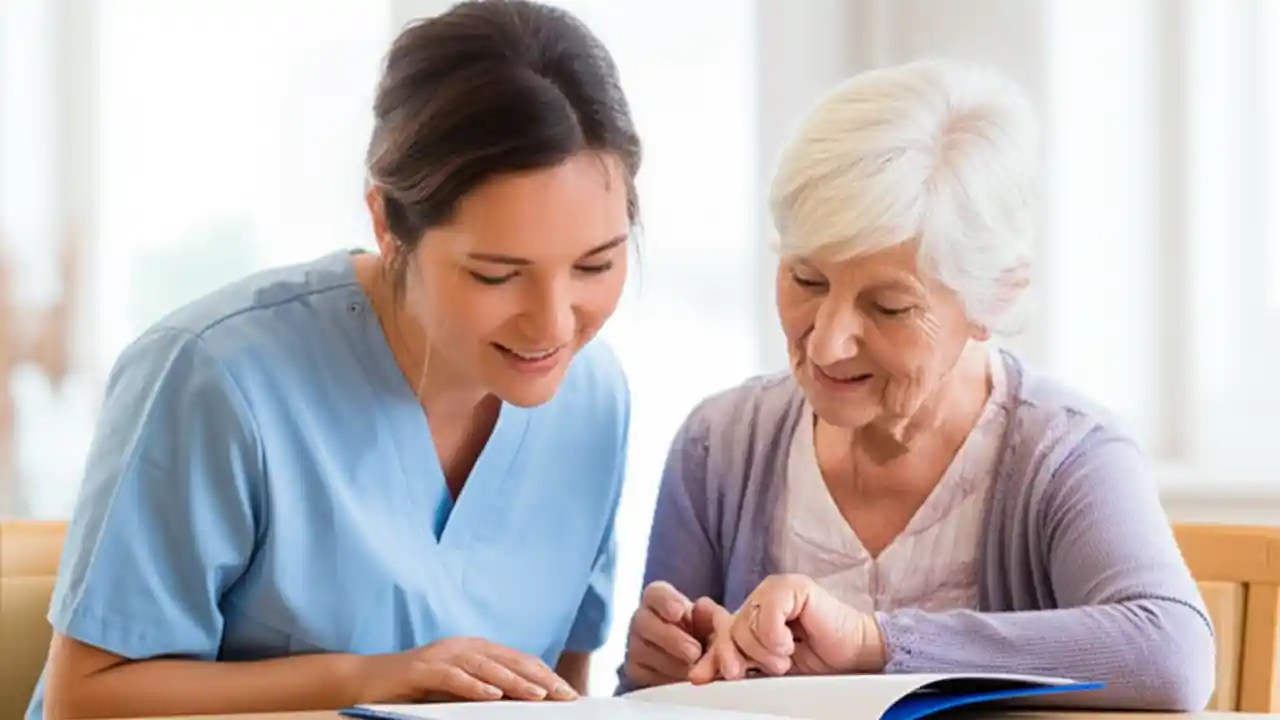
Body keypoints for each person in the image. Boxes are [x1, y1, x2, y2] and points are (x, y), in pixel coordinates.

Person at [31, 2, 641, 717]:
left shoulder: (593, 398)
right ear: (386, 222)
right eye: (496, 275)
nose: (554, 323)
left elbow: (563, 686)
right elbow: (85, 699)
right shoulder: (215, 379)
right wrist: (367, 681)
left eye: (595, 265)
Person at [621, 59, 1215, 711]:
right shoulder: (722, 447)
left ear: (993, 298)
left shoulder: (1065, 452)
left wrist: (876, 643)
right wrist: (661, 674)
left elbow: (1172, 654)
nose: (826, 343)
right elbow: (653, 702)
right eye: (807, 280)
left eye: (889, 306)